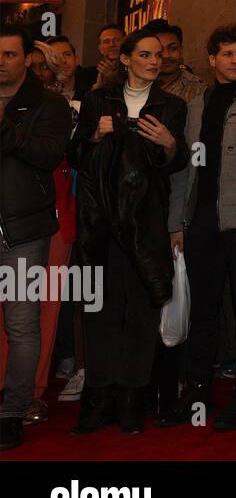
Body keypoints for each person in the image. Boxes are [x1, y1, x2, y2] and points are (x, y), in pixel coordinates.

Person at [70, 29, 188, 435]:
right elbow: (77, 158)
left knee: (140, 314)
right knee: (100, 314)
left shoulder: (171, 105)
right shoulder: (97, 100)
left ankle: (133, 402)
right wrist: (95, 134)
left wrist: (171, 144)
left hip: (145, 223)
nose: (155, 61)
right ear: (125, 59)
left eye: (159, 55)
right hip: (101, 223)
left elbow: (173, 165)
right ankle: (98, 399)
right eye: (145, 54)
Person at [159, 25, 236, 432]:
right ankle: (197, 394)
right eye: (227, 53)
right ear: (212, 59)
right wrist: (176, 223)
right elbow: (185, 171)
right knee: (204, 311)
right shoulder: (197, 105)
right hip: (201, 220)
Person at [0, 24, 73, 451]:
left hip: (22, 231)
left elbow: (47, 155)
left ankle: (12, 410)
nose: (2, 62)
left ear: (28, 58)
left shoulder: (49, 105)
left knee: (22, 324)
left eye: (10, 54)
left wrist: (5, 128)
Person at [141, 18, 204, 103]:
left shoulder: (198, 89)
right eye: (160, 50)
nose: (166, 55)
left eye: (173, 48)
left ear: (181, 50)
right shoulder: (135, 84)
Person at [44, 35, 96, 100]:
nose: (63, 60)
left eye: (67, 54)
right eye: (55, 57)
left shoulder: (89, 92)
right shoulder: (42, 96)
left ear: (76, 59)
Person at [92, 23, 124, 89]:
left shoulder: (135, 73)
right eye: (106, 41)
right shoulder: (87, 75)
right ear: (100, 48)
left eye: (117, 40)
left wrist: (114, 80)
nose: (112, 45)